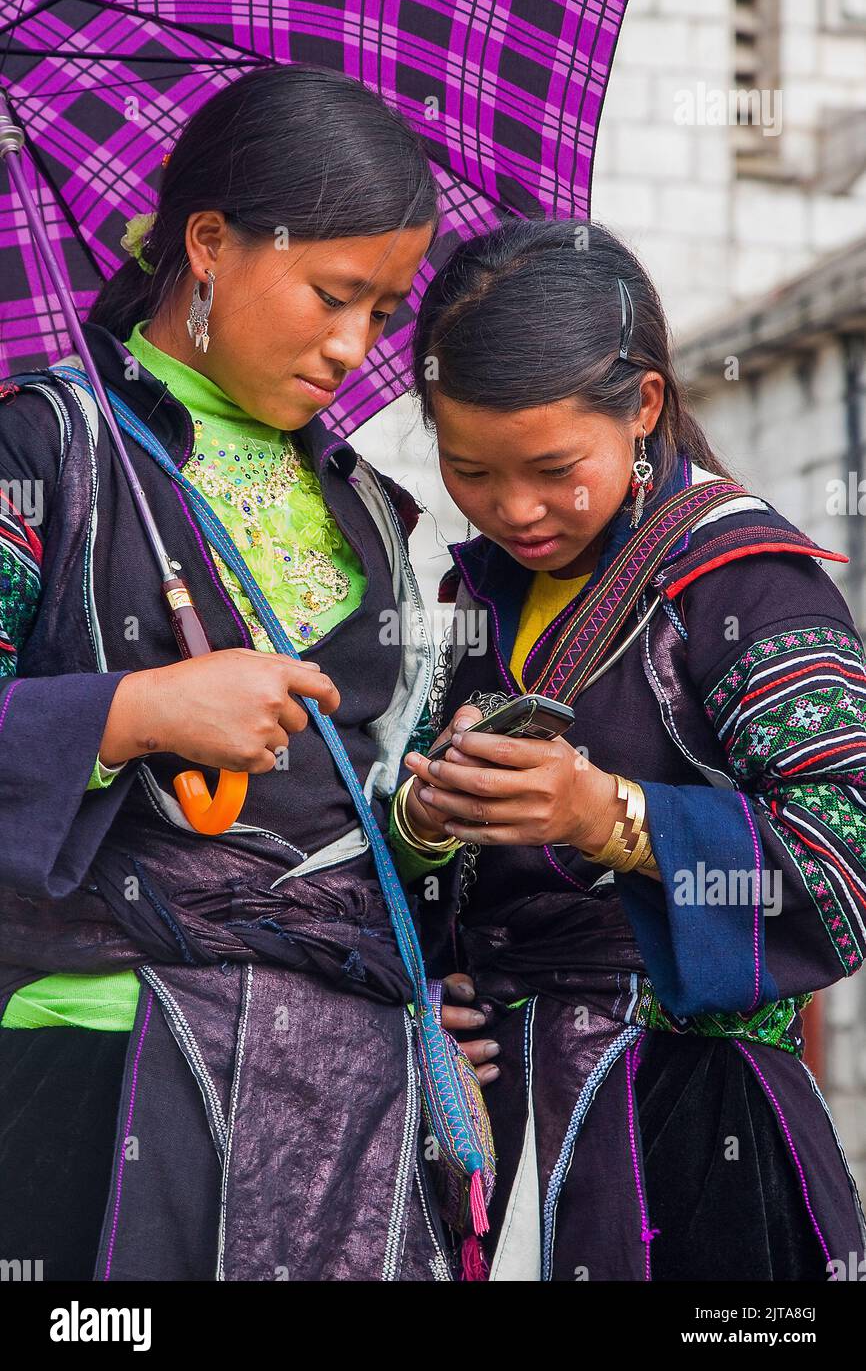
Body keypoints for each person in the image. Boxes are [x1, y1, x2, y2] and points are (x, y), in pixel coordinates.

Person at [0, 64, 491, 1282]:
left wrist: (434, 826)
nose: (351, 346)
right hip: (102, 1064)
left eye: (381, 313)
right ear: (208, 244)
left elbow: (367, 806)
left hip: (353, 1090)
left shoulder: (379, 518)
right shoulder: (47, 449)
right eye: (332, 294)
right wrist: (131, 710)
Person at [390, 217, 866, 1280]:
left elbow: (846, 860)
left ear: (643, 405)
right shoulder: (477, 596)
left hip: (686, 1133)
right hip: (483, 1129)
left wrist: (604, 814)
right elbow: (423, 874)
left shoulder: (744, 585)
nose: (514, 509)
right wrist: (426, 831)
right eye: (469, 469)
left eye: (551, 467)